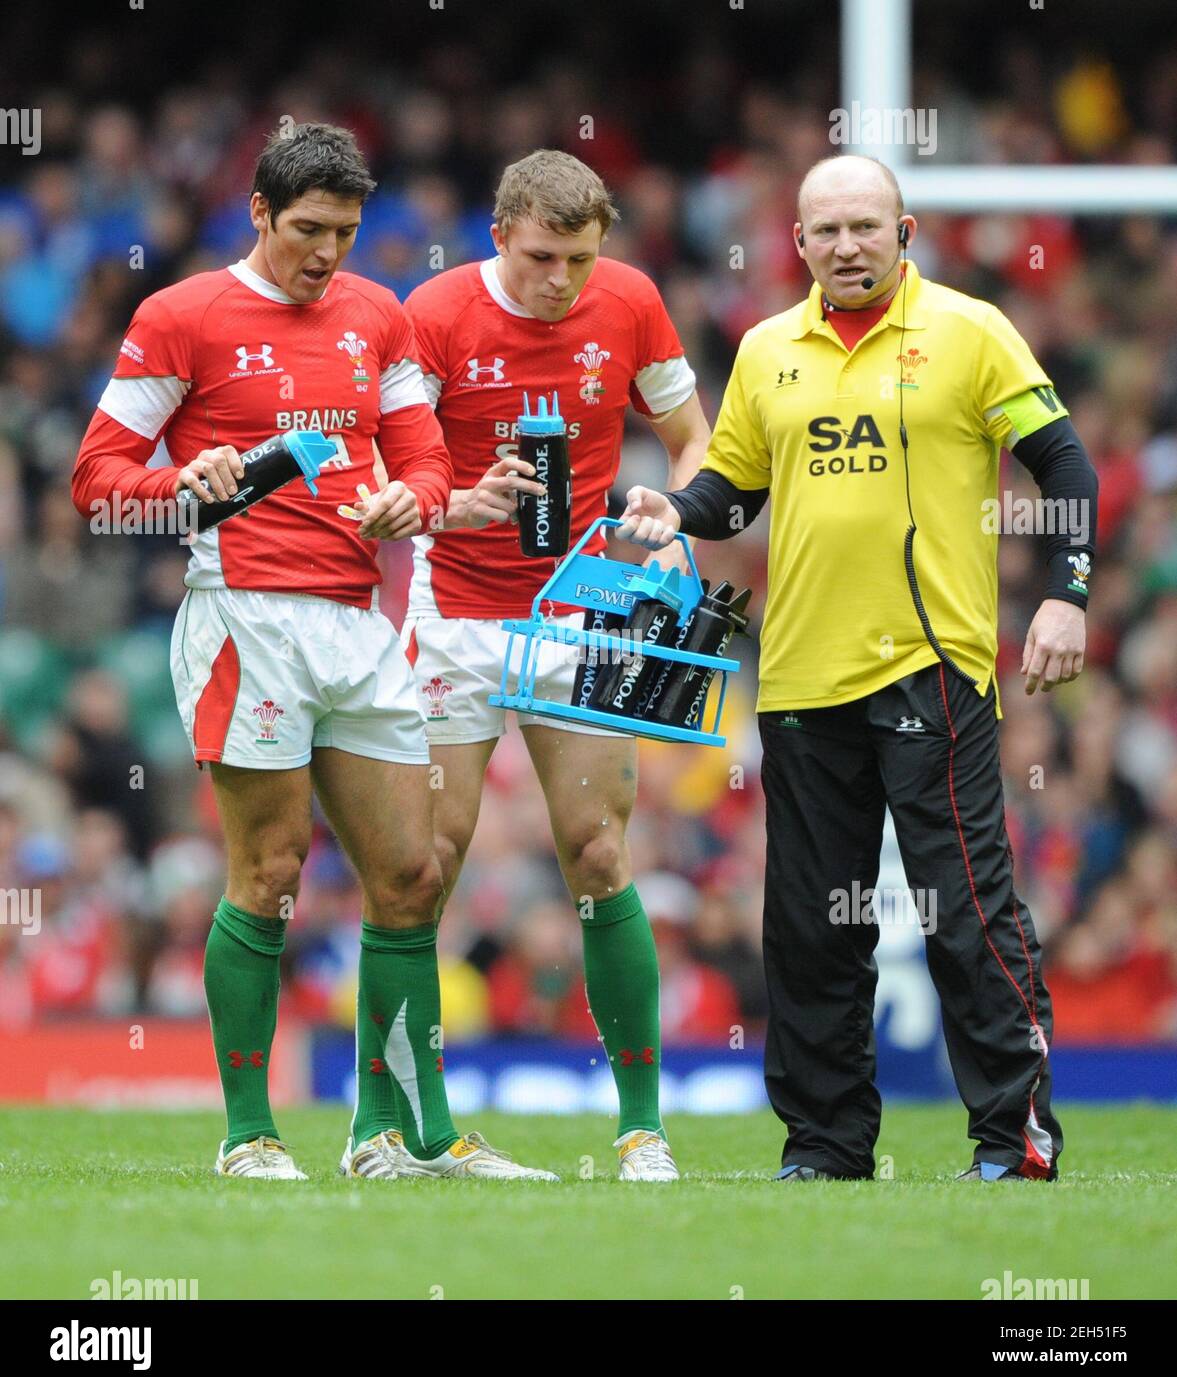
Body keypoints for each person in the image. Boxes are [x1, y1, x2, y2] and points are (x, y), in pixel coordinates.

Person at [72, 122, 556, 1182]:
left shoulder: (374, 315)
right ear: (258, 213)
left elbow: (426, 459)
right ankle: (248, 1133)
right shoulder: (180, 316)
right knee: (272, 871)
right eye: (306, 230)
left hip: (354, 617)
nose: (326, 251)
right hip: (244, 612)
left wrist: (409, 499)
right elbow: (98, 478)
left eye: (343, 230)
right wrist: (176, 486)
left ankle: (405, 1138)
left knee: (411, 872)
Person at [617, 153, 1099, 1182]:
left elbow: (1062, 462)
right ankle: (826, 1148)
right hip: (797, 681)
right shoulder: (763, 350)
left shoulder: (968, 331)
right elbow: (733, 491)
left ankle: (1014, 1137)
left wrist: (1067, 591)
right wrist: (675, 510)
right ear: (795, 243)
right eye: (824, 231)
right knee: (808, 928)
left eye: (863, 228)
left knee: (962, 910)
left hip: (931, 667)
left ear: (904, 232)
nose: (844, 246)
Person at [394, 149, 710, 1179]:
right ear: (500, 236)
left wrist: (677, 517)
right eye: (541, 257)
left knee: (600, 854)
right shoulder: (434, 313)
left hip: (577, 613)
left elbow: (690, 435)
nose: (561, 280)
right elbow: (388, 460)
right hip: (450, 614)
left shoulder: (630, 302)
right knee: (421, 871)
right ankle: (402, 1132)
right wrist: (451, 495)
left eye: (579, 258)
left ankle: (641, 1128)